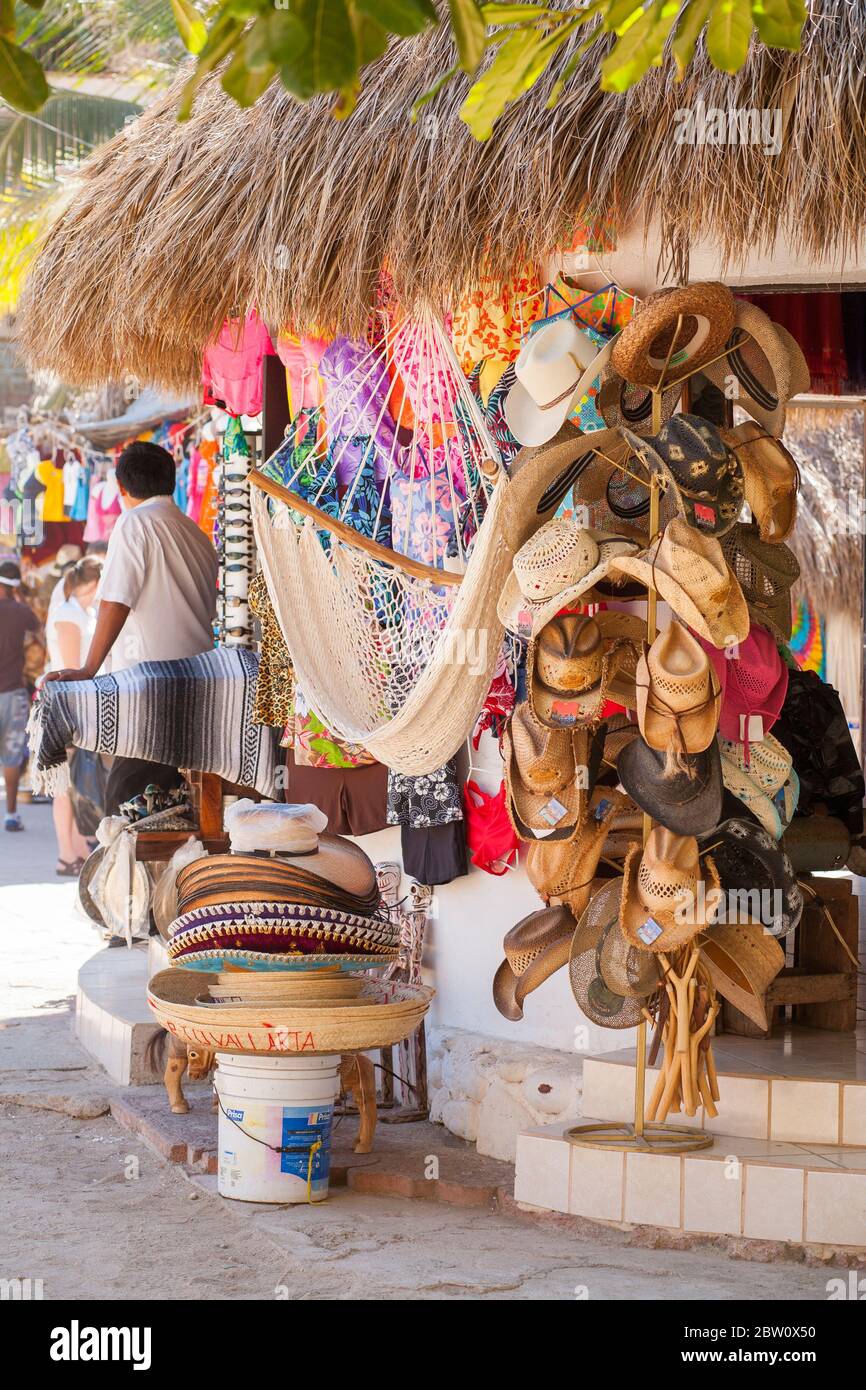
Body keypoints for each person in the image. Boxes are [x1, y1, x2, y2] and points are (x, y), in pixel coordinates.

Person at [45, 440, 218, 812]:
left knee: (124, 811)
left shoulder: (135, 522)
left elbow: (115, 600)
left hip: (152, 690)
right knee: (172, 810)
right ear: (171, 480)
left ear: (122, 488)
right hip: (199, 687)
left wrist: (88, 669)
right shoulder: (196, 534)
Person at [46, 557, 103, 874]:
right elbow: (70, 670)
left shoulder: (75, 611)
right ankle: (67, 854)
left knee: (69, 783)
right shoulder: (69, 615)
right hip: (68, 707)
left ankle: (75, 851)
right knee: (65, 783)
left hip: (69, 705)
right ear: (94, 585)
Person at [0, 560, 43, 831]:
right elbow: (39, 631)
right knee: (12, 756)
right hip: (14, 691)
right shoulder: (22, 612)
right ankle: (12, 813)